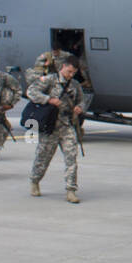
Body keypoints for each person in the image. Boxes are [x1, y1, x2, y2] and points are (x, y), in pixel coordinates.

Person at [26, 53, 85, 203]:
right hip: (51, 126)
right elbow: (31, 92)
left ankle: (71, 190)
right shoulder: (49, 80)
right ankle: (35, 181)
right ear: (63, 67)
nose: (70, 75)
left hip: (66, 125)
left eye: (73, 73)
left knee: (71, 158)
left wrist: (79, 108)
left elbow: (82, 101)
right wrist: (48, 100)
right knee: (43, 157)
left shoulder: (75, 85)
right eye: (69, 71)